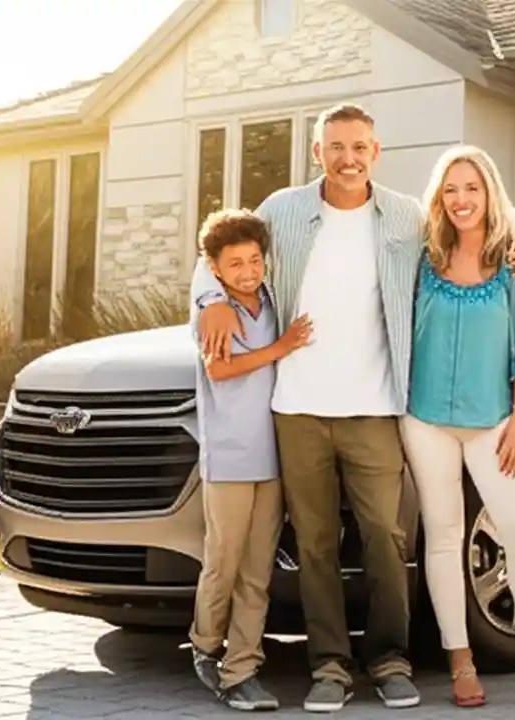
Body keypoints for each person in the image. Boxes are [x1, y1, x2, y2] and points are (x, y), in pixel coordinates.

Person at [190, 103, 515, 713]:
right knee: (317, 544)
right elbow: (220, 250)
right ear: (318, 153)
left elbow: (471, 230)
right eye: (336, 147)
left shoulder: (405, 217)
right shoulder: (282, 211)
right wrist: (209, 297)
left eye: (359, 147)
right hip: (296, 408)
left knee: (384, 537)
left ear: (375, 153)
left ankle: (389, 658)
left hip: (377, 406)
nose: (347, 158)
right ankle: (329, 666)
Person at [399, 145, 515, 709]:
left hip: (494, 421)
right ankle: (460, 659)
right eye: (450, 189)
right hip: (424, 418)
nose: (460, 200)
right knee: (445, 536)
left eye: (471, 188)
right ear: (438, 198)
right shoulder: (421, 260)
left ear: (489, 192)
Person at [187, 208, 313, 712]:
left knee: (258, 571)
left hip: (272, 458)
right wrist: (281, 347)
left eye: (254, 260)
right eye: (234, 264)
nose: (247, 271)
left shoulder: (271, 300)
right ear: (215, 270)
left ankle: (242, 669)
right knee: (223, 562)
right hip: (231, 459)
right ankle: (203, 645)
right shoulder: (213, 311)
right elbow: (220, 371)